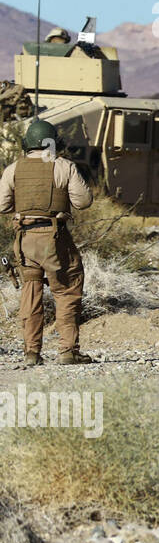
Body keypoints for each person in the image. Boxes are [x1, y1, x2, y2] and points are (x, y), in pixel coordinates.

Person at [0, 119, 94, 366]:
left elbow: (2, 205)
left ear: (27, 143)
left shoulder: (13, 169)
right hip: (55, 239)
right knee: (67, 290)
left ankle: (31, 353)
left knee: (30, 293)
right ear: (54, 142)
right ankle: (67, 351)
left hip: (25, 240)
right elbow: (83, 201)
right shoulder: (64, 166)